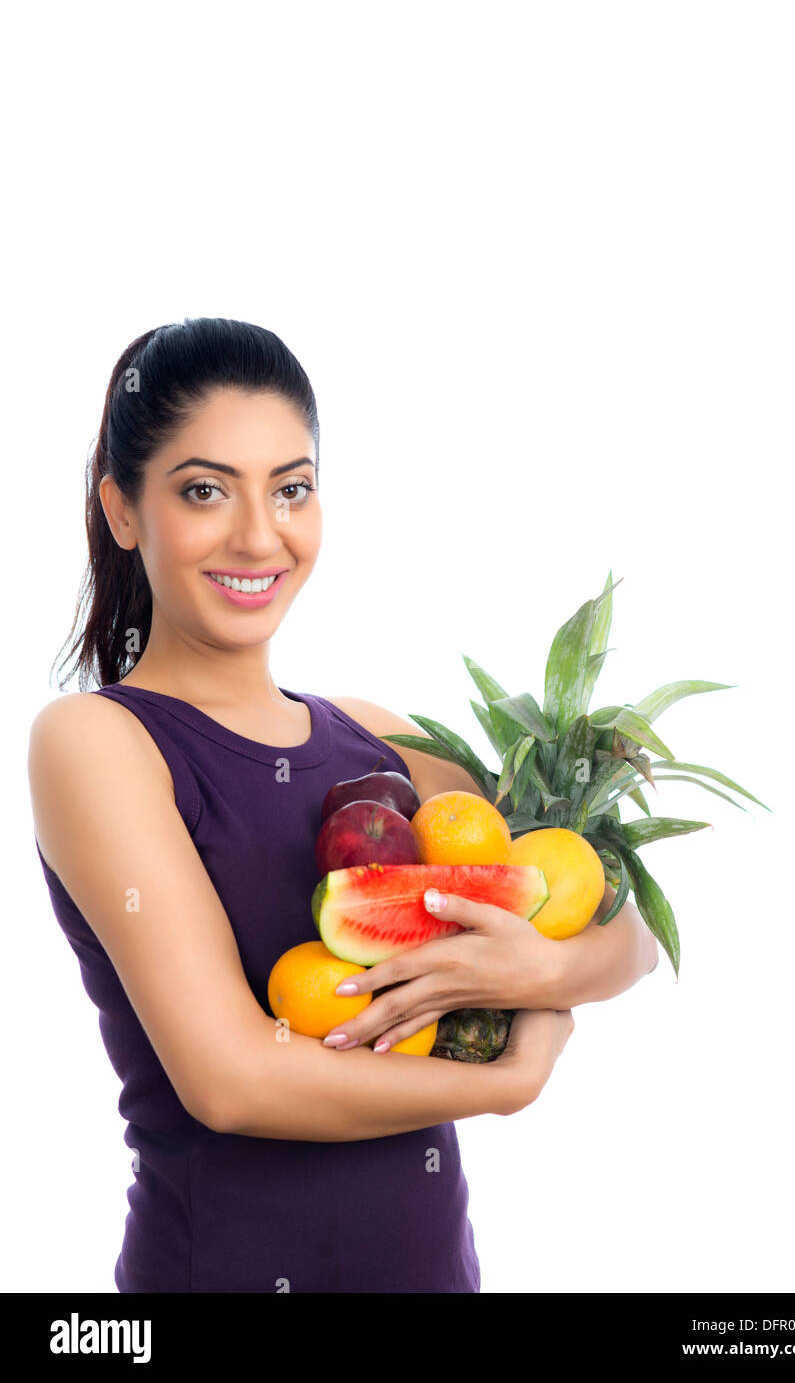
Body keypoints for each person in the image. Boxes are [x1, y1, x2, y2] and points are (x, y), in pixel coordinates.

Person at [27, 317, 654, 1294]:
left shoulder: (381, 738)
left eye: (291, 488)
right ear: (120, 508)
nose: (257, 533)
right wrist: (508, 1079)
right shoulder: (93, 742)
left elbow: (624, 921)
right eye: (204, 490)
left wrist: (544, 963)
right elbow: (232, 1078)